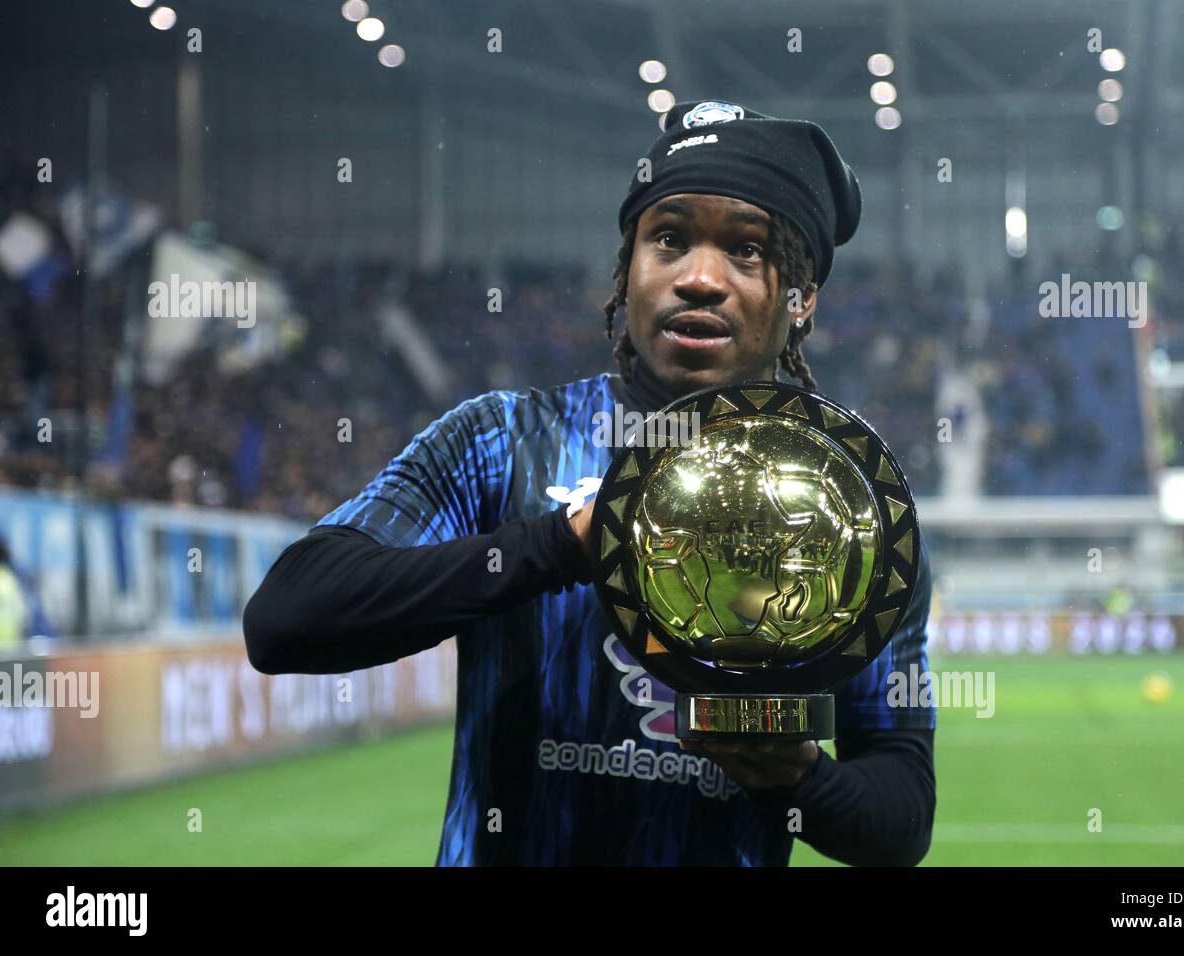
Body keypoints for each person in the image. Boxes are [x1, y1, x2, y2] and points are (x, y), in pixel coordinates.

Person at [244, 99, 936, 866]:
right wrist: (567, 542)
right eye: (668, 239)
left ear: (803, 299)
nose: (700, 277)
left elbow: (902, 819)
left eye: (746, 250)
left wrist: (801, 781)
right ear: (627, 269)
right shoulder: (502, 440)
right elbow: (286, 619)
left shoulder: (853, 509)